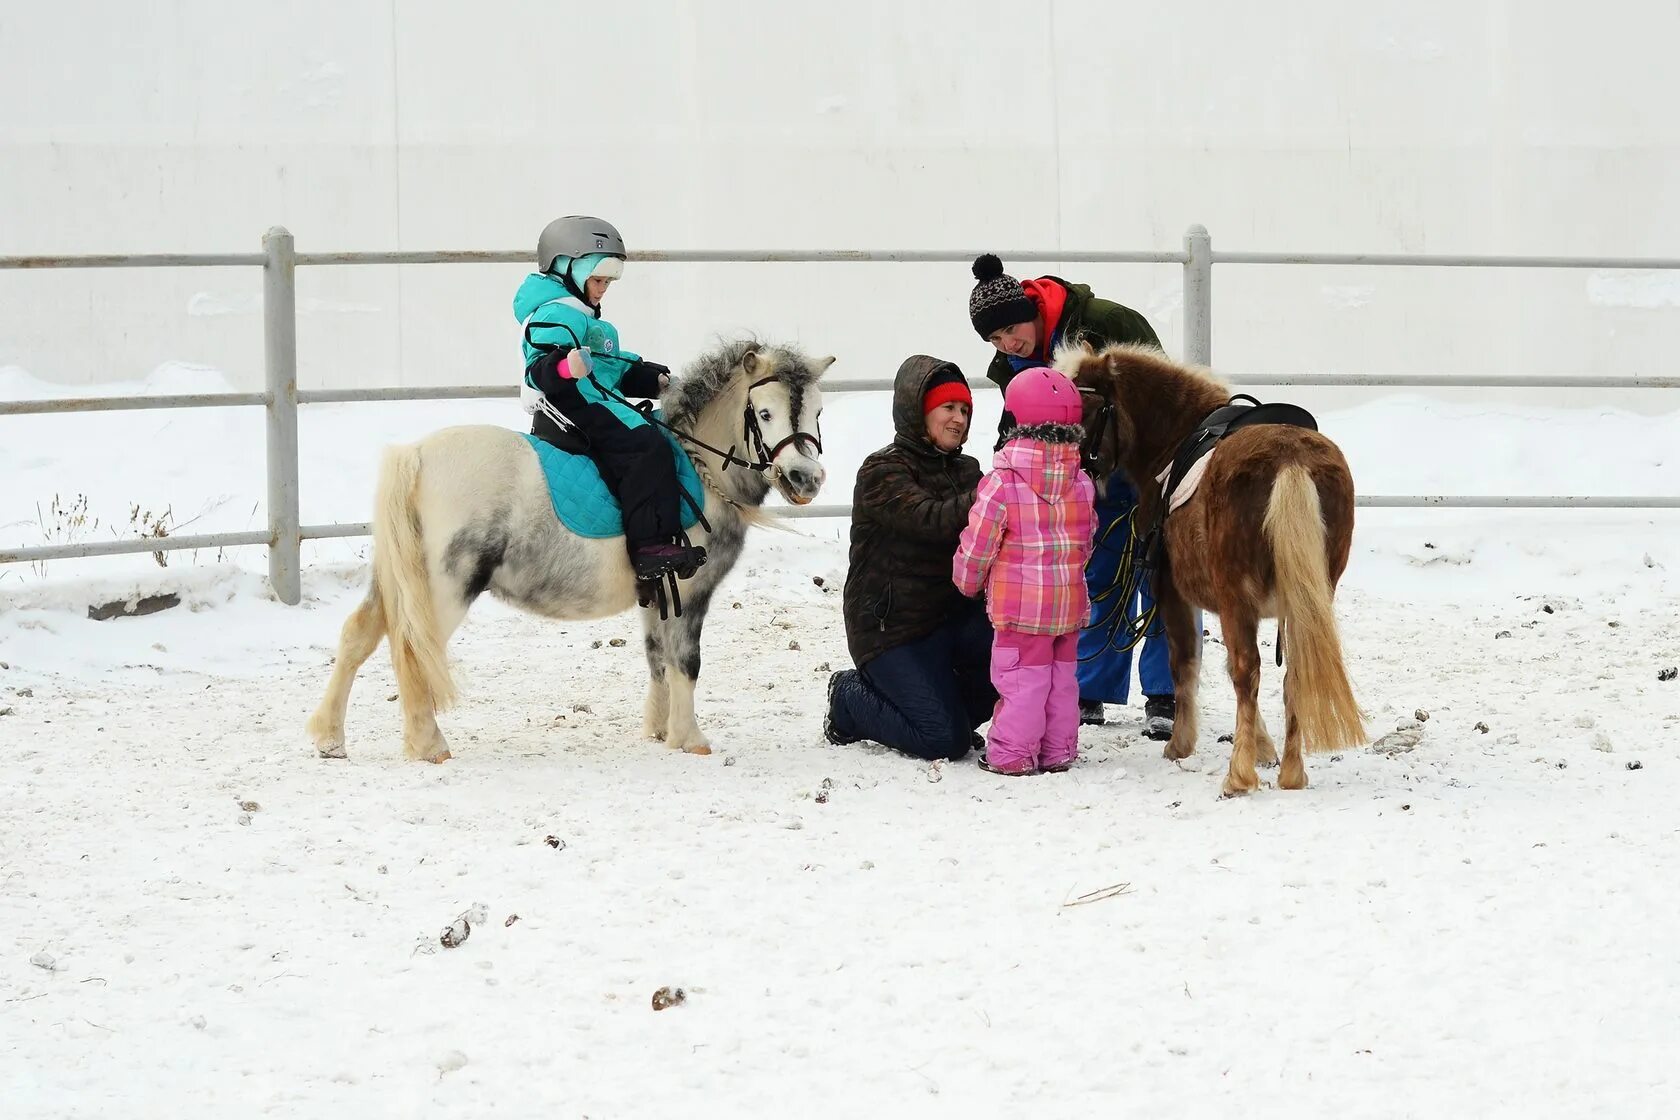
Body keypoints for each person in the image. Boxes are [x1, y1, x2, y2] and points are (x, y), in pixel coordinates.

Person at [967, 252, 1178, 739]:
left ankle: (1167, 691)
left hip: (1143, 467)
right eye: (995, 338)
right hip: (1082, 480)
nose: (1007, 342)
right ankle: (1092, 689)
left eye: (1010, 328)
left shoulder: (1108, 322)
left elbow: (1160, 387)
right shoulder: (1010, 364)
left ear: (1032, 309)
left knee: (1163, 576)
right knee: (1094, 576)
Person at [823, 356, 997, 761]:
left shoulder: (968, 469)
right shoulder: (882, 470)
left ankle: (940, 712)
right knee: (944, 742)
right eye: (948, 408)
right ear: (918, 411)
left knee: (1016, 661)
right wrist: (997, 490)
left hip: (949, 618)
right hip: (891, 630)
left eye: (965, 410)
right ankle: (848, 698)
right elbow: (930, 520)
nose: (959, 419)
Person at [514, 215, 705, 582]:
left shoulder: (589, 320)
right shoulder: (555, 313)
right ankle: (649, 546)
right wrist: (565, 367)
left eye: (608, 282)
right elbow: (538, 367)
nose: (603, 290)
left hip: (595, 400)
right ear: (567, 269)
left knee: (657, 430)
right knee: (645, 445)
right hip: (569, 407)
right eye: (598, 280)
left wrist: (654, 379)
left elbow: (611, 369)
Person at [953, 367, 1097, 775]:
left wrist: (966, 581)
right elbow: (1086, 541)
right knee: (1062, 681)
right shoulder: (1082, 482)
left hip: (1020, 610)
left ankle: (1013, 754)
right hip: (1067, 606)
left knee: (1021, 682)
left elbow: (979, 544)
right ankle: (1059, 751)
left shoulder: (1002, 483)